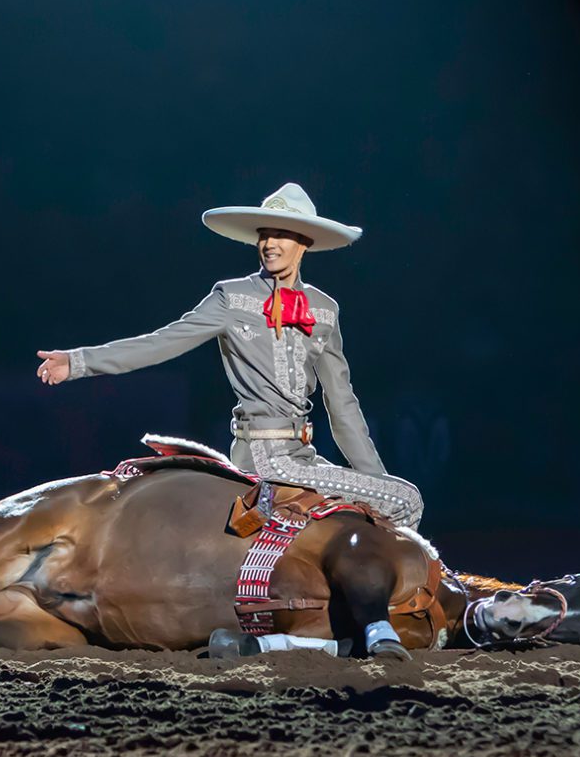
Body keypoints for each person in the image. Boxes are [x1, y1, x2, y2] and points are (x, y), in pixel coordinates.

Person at [35, 182, 423, 528]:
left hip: (304, 455)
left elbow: (342, 406)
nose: (269, 243)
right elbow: (163, 341)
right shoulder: (232, 296)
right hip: (263, 454)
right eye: (264, 234)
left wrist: (376, 483)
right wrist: (77, 362)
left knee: (395, 498)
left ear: (304, 242)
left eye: (282, 234)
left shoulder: (324, 309)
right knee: (408, 500)